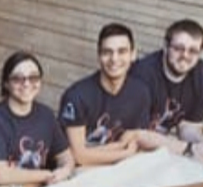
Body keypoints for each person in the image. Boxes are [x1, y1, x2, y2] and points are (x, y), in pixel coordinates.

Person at [58, 23, 154, 167]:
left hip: (119, 166)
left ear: (133, 54)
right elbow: (79, 157)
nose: (114, 59)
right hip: (80, 170)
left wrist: (124, 150)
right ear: (99, 56)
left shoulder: (141, 93)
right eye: (107, 52)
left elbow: (136, 141)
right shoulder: (76, 96)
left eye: (122, 51)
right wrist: (125, 153)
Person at [0, 50, 75, 187]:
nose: (26, 84)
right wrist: (46, 175)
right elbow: (1, 175)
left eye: (33, 78)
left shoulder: (46, 116)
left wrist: (65, 170)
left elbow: (66, 157)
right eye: (17, 79)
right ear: (6, 83)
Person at [130, 18, 203, 163]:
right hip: (118, 144)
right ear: (166, 46)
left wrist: (201, 143)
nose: (185, 55)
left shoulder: (202, 76)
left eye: (193, 51)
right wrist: (187, 149)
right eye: (178, 48)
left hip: (155, 147)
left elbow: (189, 126)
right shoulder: (142, 75)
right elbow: (136, 134)